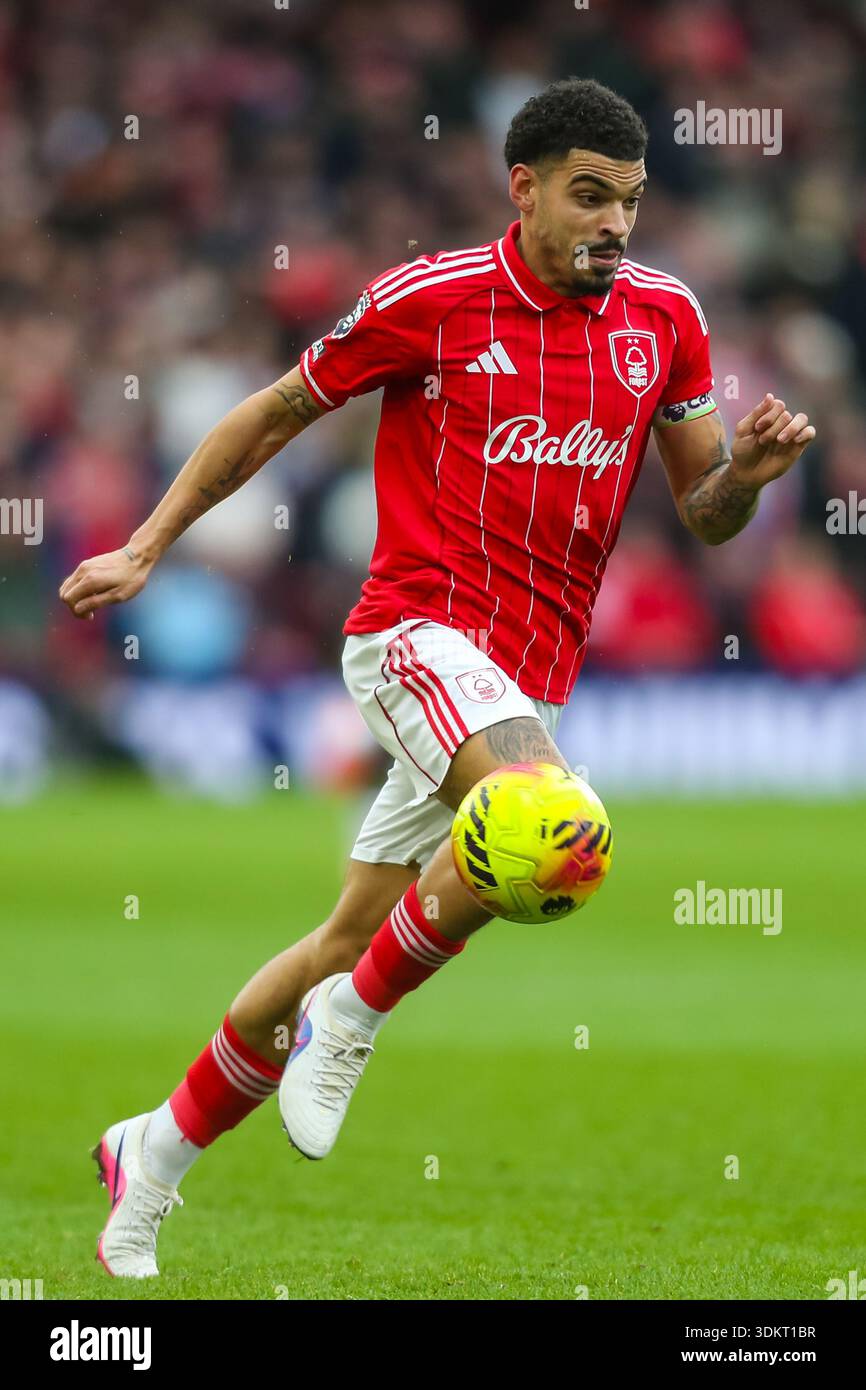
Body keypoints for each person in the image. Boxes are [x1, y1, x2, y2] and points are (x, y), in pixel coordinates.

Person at [58, 78, 816, 1278]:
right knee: (556, 830)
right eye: (585, 197)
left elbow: (704, 513)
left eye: (627, 199)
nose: (611, 223)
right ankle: (353, 1021)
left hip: (524, 681)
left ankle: (148, 1156)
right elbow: (270, 415)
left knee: (345, 935)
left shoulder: (663, 319)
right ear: (521, 189)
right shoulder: (431, 299)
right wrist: (148, 543)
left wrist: (752, 477)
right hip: (413, 635)